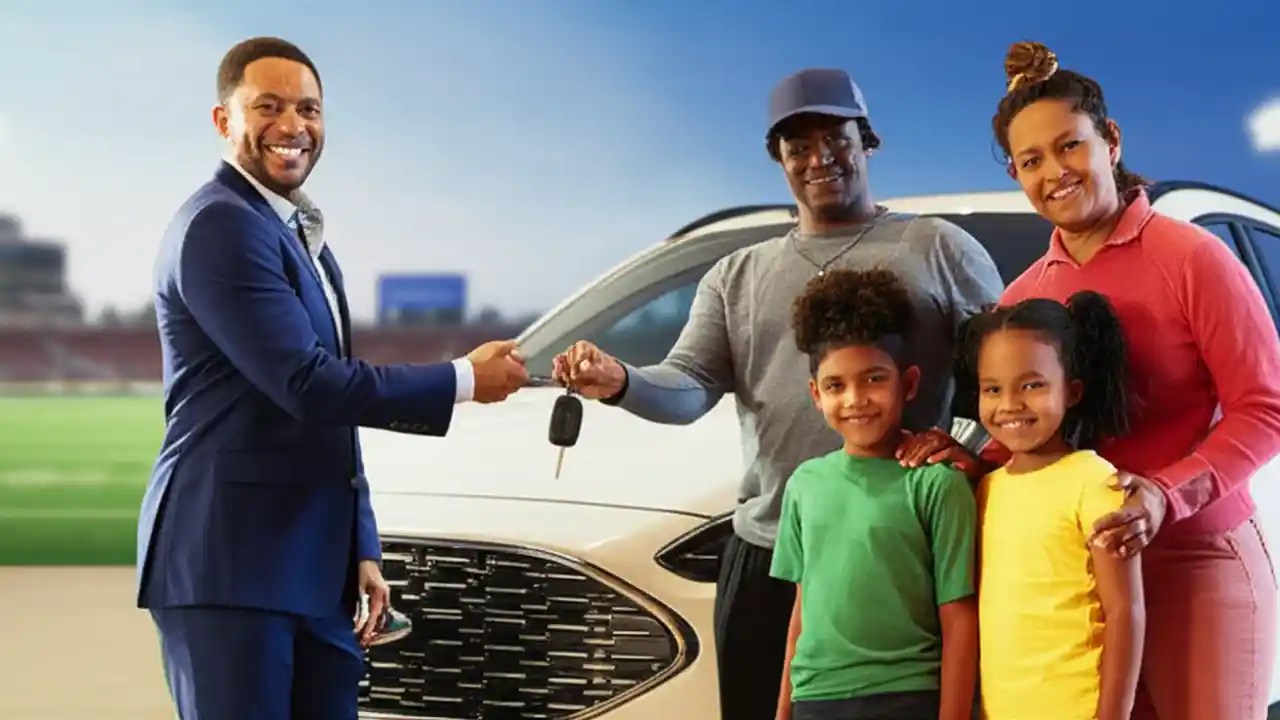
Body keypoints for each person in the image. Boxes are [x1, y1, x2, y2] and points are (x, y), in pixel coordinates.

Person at [552, 67, 1004, 720]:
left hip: (904, 548)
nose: (818, 157)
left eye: (835, 138)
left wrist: (964, 447)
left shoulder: (936, 248)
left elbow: (1004, 377)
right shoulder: (739, 274)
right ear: (779, 159)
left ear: (866, 141)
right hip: (770, 553)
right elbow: (689, 387)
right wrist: (621, 382)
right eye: (797, 145)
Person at [136, 36, 528, 719]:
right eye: (269, 106)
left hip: (310, 569)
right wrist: (463, 379)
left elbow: (331, 420)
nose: (294, 126)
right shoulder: (220, 226)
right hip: (231, 564)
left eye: (309, 108)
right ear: (223, 121)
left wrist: (360, 547)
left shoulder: (293, 232)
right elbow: (309, 385)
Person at [901, 40, 1280, 719]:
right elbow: (1030, 435)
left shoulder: (1193, 258)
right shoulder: (1021, 298)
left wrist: (1165, 495)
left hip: (1194, 561)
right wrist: (970, 464)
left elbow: (1266, 409)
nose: (1055, 172)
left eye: (1069, 145)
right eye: (1031, 161)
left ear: (1110, 140)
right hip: (1076, 578)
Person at [770, 269, 978, 720]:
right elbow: (803, 610)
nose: (855, 399)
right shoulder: (805, 484)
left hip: (907, 697)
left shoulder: (937, 483)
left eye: (874, 379)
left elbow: (960, 617)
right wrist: (783, 711)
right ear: (815, 395)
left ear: (909, 383)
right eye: (835, 386)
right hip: (815, 700)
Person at [956, 291, 1144, 719]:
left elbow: (1125, 611)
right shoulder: (987, 487)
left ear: (1072, 390)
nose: (1010, 405)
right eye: (992, 389)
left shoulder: (1094, 480)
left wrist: (1112, 714)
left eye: (1032, 385)